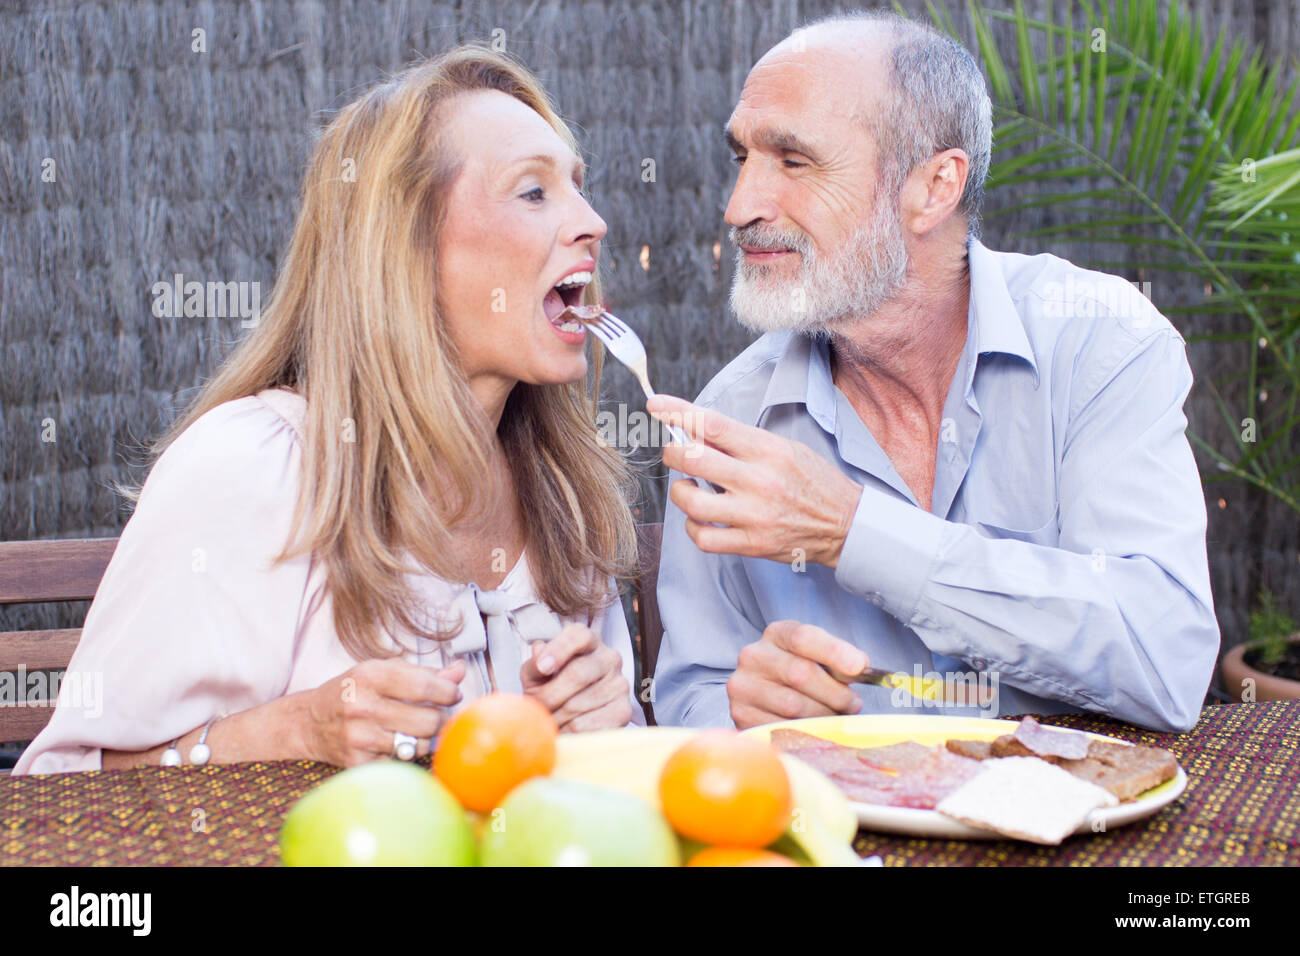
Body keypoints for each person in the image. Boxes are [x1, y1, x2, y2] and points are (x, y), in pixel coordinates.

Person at [16, 45, 643, 775]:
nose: (593, 221)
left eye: (578, 185)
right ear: (404, 246)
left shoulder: (562, 493)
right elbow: (60, 793)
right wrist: (293, 735)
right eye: (533, 192)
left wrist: (609, 719)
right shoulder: (252, 470)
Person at [650, 12, 1218, 734]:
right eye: (743, 159)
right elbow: (689, 697)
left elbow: (1165, 658)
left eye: (793, 162)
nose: (740, 207)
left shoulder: (1101, 343)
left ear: (934, 187)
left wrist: (854, 531)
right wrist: (741, 714)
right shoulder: (730, 422)